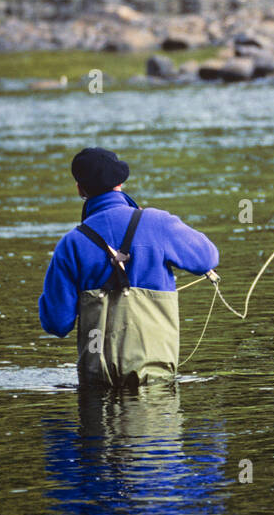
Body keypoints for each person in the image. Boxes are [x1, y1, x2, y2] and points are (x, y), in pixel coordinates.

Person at [39, 147, 219, 388]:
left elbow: (57, 324)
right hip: (157, 383)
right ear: (120, 183)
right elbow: (207, 258)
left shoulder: (70, 244)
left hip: (97, 385)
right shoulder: (158, 223)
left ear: (80, 189)